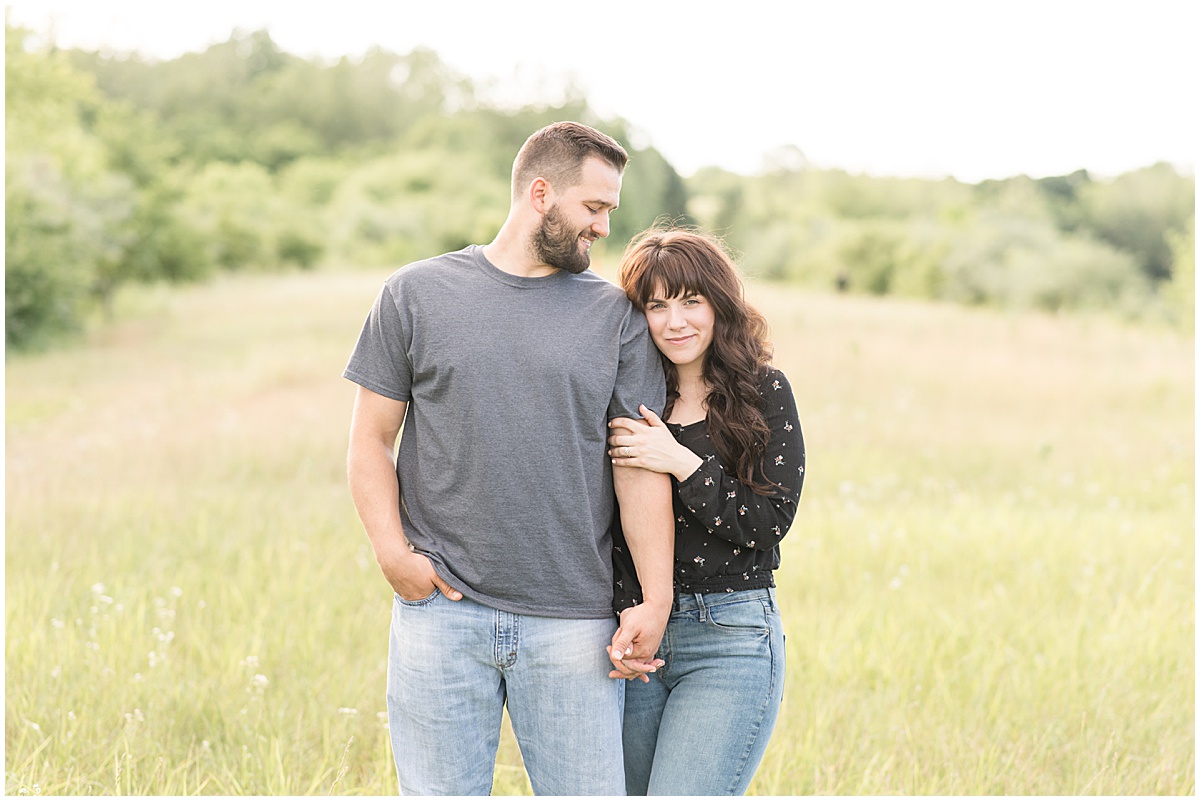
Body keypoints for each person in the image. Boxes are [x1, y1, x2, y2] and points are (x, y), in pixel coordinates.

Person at [343, 122, 675, 796]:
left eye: (610, 210)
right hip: (442, 614)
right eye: (594, 207)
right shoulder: (414, 295)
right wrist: (391, 553)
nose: (605, 227)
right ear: (541, 194)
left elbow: (636, 463)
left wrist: (656, 596)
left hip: (575, 625)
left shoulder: (616, 317)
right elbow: (371, 439)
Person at [605, 228, 806, 795]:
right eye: (657, 306)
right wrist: (627, 611)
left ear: (719, 304)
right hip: (636, 636)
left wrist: (681, 462)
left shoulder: (762, 392)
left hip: (730, 635)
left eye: (691, 301)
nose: (675, 322)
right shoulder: (627, 395)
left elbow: (768, 522)